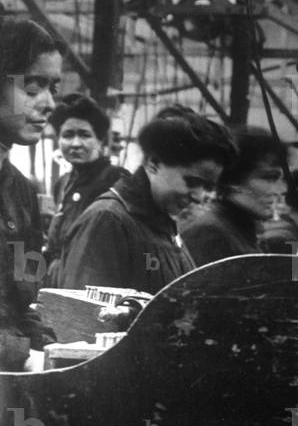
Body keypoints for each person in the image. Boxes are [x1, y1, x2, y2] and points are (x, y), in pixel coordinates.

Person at [58, 105, 236, 292]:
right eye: (192, 181)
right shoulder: (108, 221)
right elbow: (81, 314)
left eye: (208, 187)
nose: (200, 196)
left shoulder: (163, 223)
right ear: (154, 163)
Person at [0, 17, 59, 372]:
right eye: (33, 88)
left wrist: (54, 351)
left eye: (54, 88)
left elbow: (25, 304)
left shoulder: (21, 192)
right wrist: (25, 358)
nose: (50, 103)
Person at [44, 93, 129, 285]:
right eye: (67, 135)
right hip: (58, 279)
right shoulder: (63, 183)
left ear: (100, 140)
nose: (75, 143)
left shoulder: (116, 179)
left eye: (84, 135)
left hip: (94, 278)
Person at [181, 126, 287, 266]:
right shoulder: (210, 232)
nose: (282, 189)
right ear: (234, 181)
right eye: (269, 178)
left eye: (282, 179)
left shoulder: (238, 229)